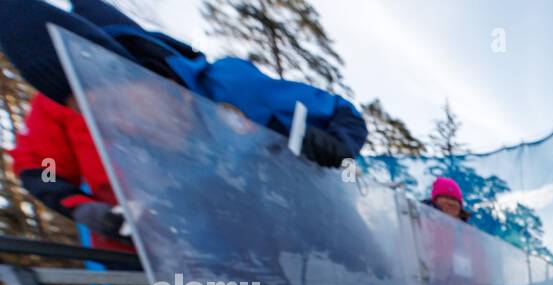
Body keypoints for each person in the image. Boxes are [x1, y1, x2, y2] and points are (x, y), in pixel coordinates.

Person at [0, 0, 368, 168]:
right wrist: (77, 204)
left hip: (330, 229)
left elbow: (343, 116)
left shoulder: (231, 86)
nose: (118, 126)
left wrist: (339, 147)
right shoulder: (138, 151)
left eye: (113, 107)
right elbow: (43, 167)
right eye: (97, 119)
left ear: (138, 75)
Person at [8, 92, 133, 253]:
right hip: (126, 236)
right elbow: (46, 167)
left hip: (171, 203)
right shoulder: (56, 94)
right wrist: (80, 206)